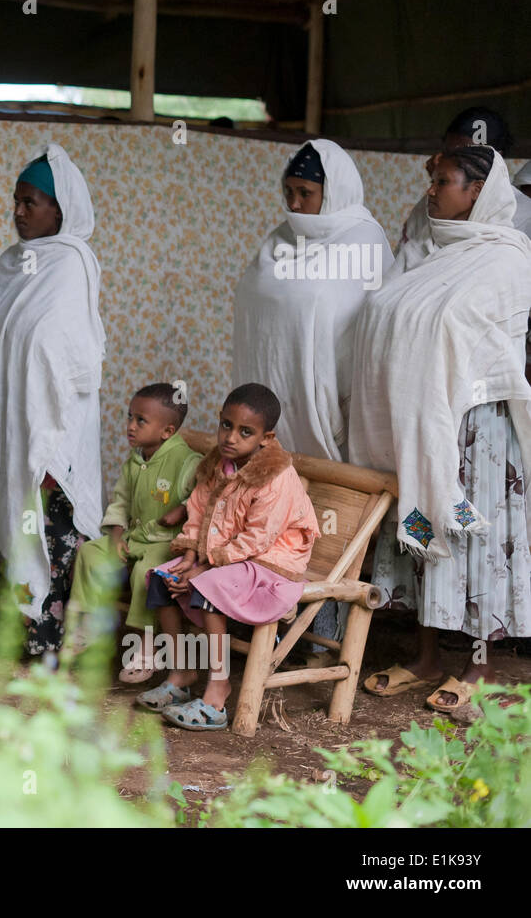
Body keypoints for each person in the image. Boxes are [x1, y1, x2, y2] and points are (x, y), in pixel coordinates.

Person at [349, 145, 531, 713]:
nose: (432, 190)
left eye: (444, 181)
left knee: (472, 544)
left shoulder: (508, 260)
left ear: (478, 192)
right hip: (424, 429)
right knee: (423, 539)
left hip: (477, 431)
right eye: (432, 180)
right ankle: (426, 657)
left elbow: (478, 342)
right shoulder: (429, 254)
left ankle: (477, 666)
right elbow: (386, 316)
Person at [232, 139, 391, 664]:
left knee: (325, 527)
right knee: (269, 516)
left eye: (306, 193)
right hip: (278, 411)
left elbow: (368, 336)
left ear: (335, 192)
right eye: (289, 192)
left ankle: (322, 638)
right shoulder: (277, 242)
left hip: (333, 422)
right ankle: (266, 629)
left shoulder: (363, 243)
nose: (295, 205)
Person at [0, 144, 106, 659]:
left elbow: (72, 355)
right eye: (16, 201)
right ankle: (9, 630)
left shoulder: (71, 265)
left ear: (59, 210)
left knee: (42, 526)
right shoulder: (12, 263)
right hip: (7, 422)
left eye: (30, 202)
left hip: (49, 427)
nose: (18, 212)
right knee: (11, 515)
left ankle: (45, 638)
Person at [136, 383, 319, 731]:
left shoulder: (276, 477)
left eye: (245, 432)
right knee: (162, 579)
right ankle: (181, 674)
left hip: (272, 563)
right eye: (226, 425)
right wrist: (189, 555)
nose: (231, 437)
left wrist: (203, 568)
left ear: (266, 438)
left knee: (206, 589)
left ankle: (217, 693)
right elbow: (198, 511)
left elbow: (257, 538)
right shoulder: (217, 464)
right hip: (225, 558)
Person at [68, 383, 202, 681]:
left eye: (141, 420)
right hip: (135, 537)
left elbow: (205, 496)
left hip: (168, 543)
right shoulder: (135, 461)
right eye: (130, 417)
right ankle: (88, 623)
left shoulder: (187, 461)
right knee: (90, 552)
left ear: (167, 431)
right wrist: (116, 535)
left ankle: (146, 643)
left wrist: (182, 509)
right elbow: (121, 502)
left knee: (147, 572)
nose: (130, 426)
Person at [397, 107, 530, 267]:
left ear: (496, 159)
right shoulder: (432, 203)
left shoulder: (525, 214)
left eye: (465, 155)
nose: (449, 161)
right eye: (448, 153)